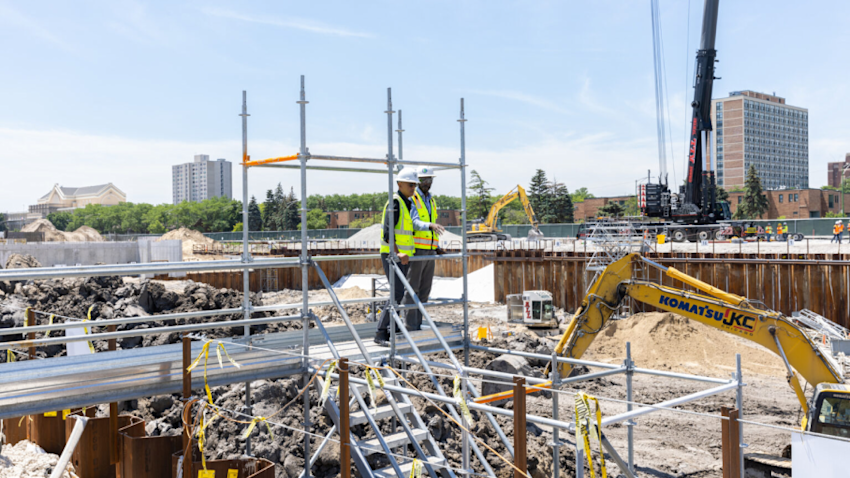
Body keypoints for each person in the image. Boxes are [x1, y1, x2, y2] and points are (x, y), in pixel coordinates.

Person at [374, 167, 433, 345]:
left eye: (414, 185)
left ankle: (393, 327)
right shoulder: (395, 202)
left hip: (402, 256)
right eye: (410, 185)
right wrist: (398, 252)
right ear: (399, 184)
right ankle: (381, 332)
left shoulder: (407, 203)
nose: (413, 188)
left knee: (399, 293)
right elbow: (387, 232)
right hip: (392, 255)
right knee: (397, 293)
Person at [401, 166, 447, 331]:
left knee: (425, 290)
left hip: (429, 250)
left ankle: (417, 324)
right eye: (424, 180)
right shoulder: (413, 199)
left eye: (430, 180)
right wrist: (429, 225)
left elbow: (432, 227)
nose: (428, 183)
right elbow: (414, 222)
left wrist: (437, 246)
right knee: (413, 289)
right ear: (417, 181)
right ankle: (410, 326)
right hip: (416, 250)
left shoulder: (431, 200)